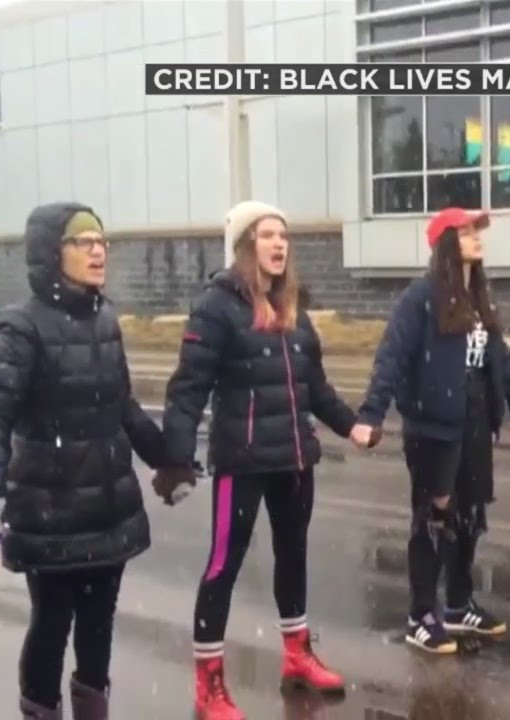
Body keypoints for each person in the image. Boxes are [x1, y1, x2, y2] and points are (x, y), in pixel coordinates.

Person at [0, 204, 167, 720]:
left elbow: (123, 406)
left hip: (109, 508)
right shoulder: (20, 329)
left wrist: (168, 459)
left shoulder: (106, 318)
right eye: (83, 241)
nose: (98, 251)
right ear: (52, 253)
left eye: (102, 241)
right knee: (51, 626)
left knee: (98, 630)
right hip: (48, 511)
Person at [153, 201, 359, 719]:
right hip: (241, 461)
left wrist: (351, 424)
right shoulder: (216, 307)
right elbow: (187, 389)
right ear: (245, 245)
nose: (279, 244)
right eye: (267, 234)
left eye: (284, 235)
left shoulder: (293, 308)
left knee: (293, 558)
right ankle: (210, 685)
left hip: (294, 459)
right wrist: (175, 457)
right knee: (223, 566)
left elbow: (315, 386)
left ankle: (297, 656)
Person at [351, 207, 510, 654]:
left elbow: (499, 358)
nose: (477, 238)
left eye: (478, 231)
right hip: (433, 425)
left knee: (469, 516)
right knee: (434, 518)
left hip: (475, 417)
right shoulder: (422, 296)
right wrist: (371, 414)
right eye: (467, 231)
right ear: (446, 242)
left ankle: (457, 604)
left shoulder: (478, 296)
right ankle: (421, 615)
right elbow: (391, 355)